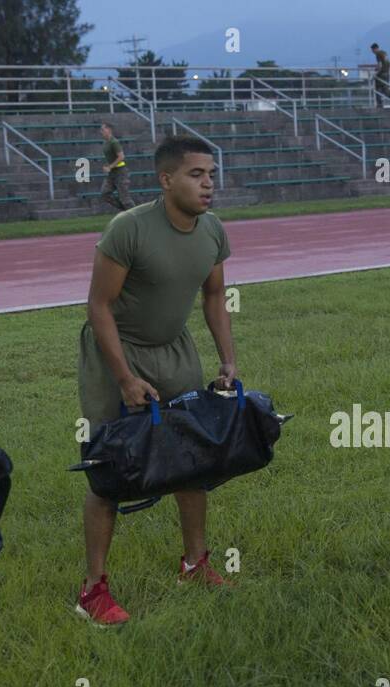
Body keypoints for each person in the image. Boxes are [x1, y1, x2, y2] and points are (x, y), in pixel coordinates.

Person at [77, 136, 238, 625]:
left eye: (211, 173)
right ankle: (93, 591)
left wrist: (228, 360)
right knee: (111, 468)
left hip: (175, 350)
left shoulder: (212, 231)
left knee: (192, 460)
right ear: (166, 180)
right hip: (117, 353)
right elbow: (98, 307)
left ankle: (194, 564)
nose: (207, 183)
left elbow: (214, 297)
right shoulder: (128, 229)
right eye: (195, 174)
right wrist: (125, 378)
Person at [99, 122, 131, 211]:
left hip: (120, 172)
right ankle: (126, 211)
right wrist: (108, 166)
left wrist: (110, 167)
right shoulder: (106, 143)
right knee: (105, 194)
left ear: (108, 130)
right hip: (112, 173)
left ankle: (135, 217)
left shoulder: (114, 142)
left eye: (102, 129)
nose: (101, 131)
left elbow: (121, 156)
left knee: (125, 199)